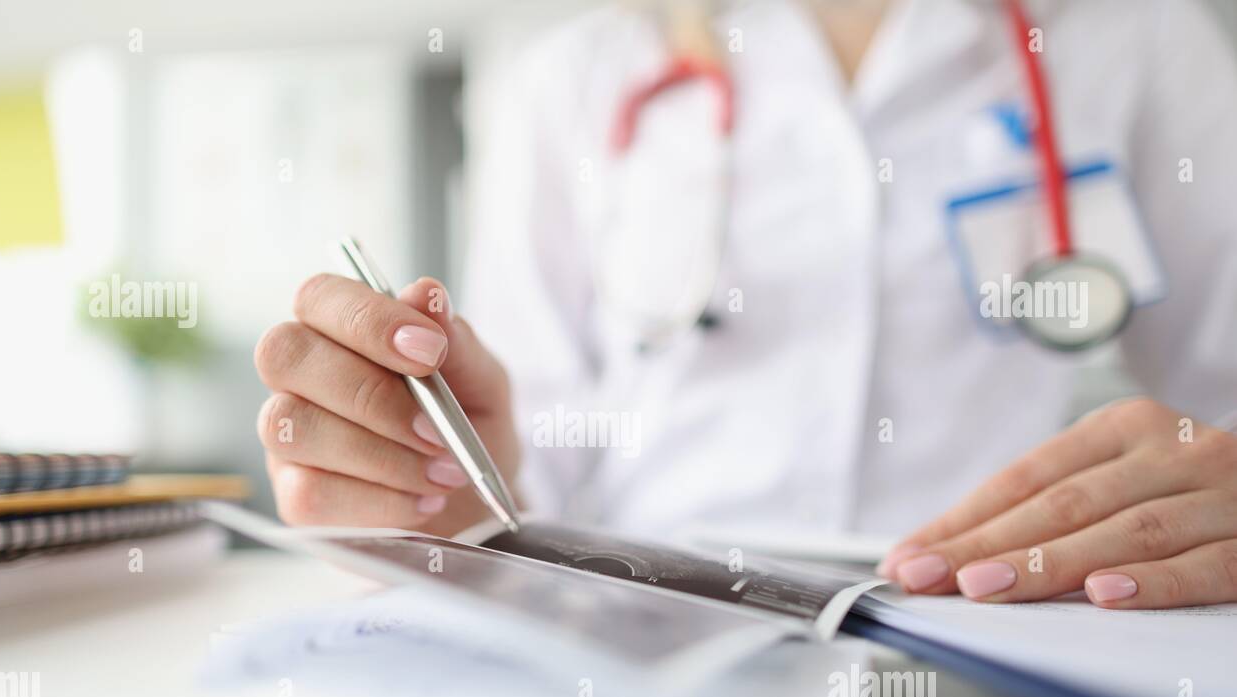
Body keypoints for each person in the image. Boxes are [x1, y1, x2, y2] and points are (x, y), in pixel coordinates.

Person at [252, 0, 1237, 609]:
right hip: (650, 626)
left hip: (993, 621)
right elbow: (526, 473)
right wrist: (430, 490)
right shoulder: (576, 75)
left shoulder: (1138, 37)